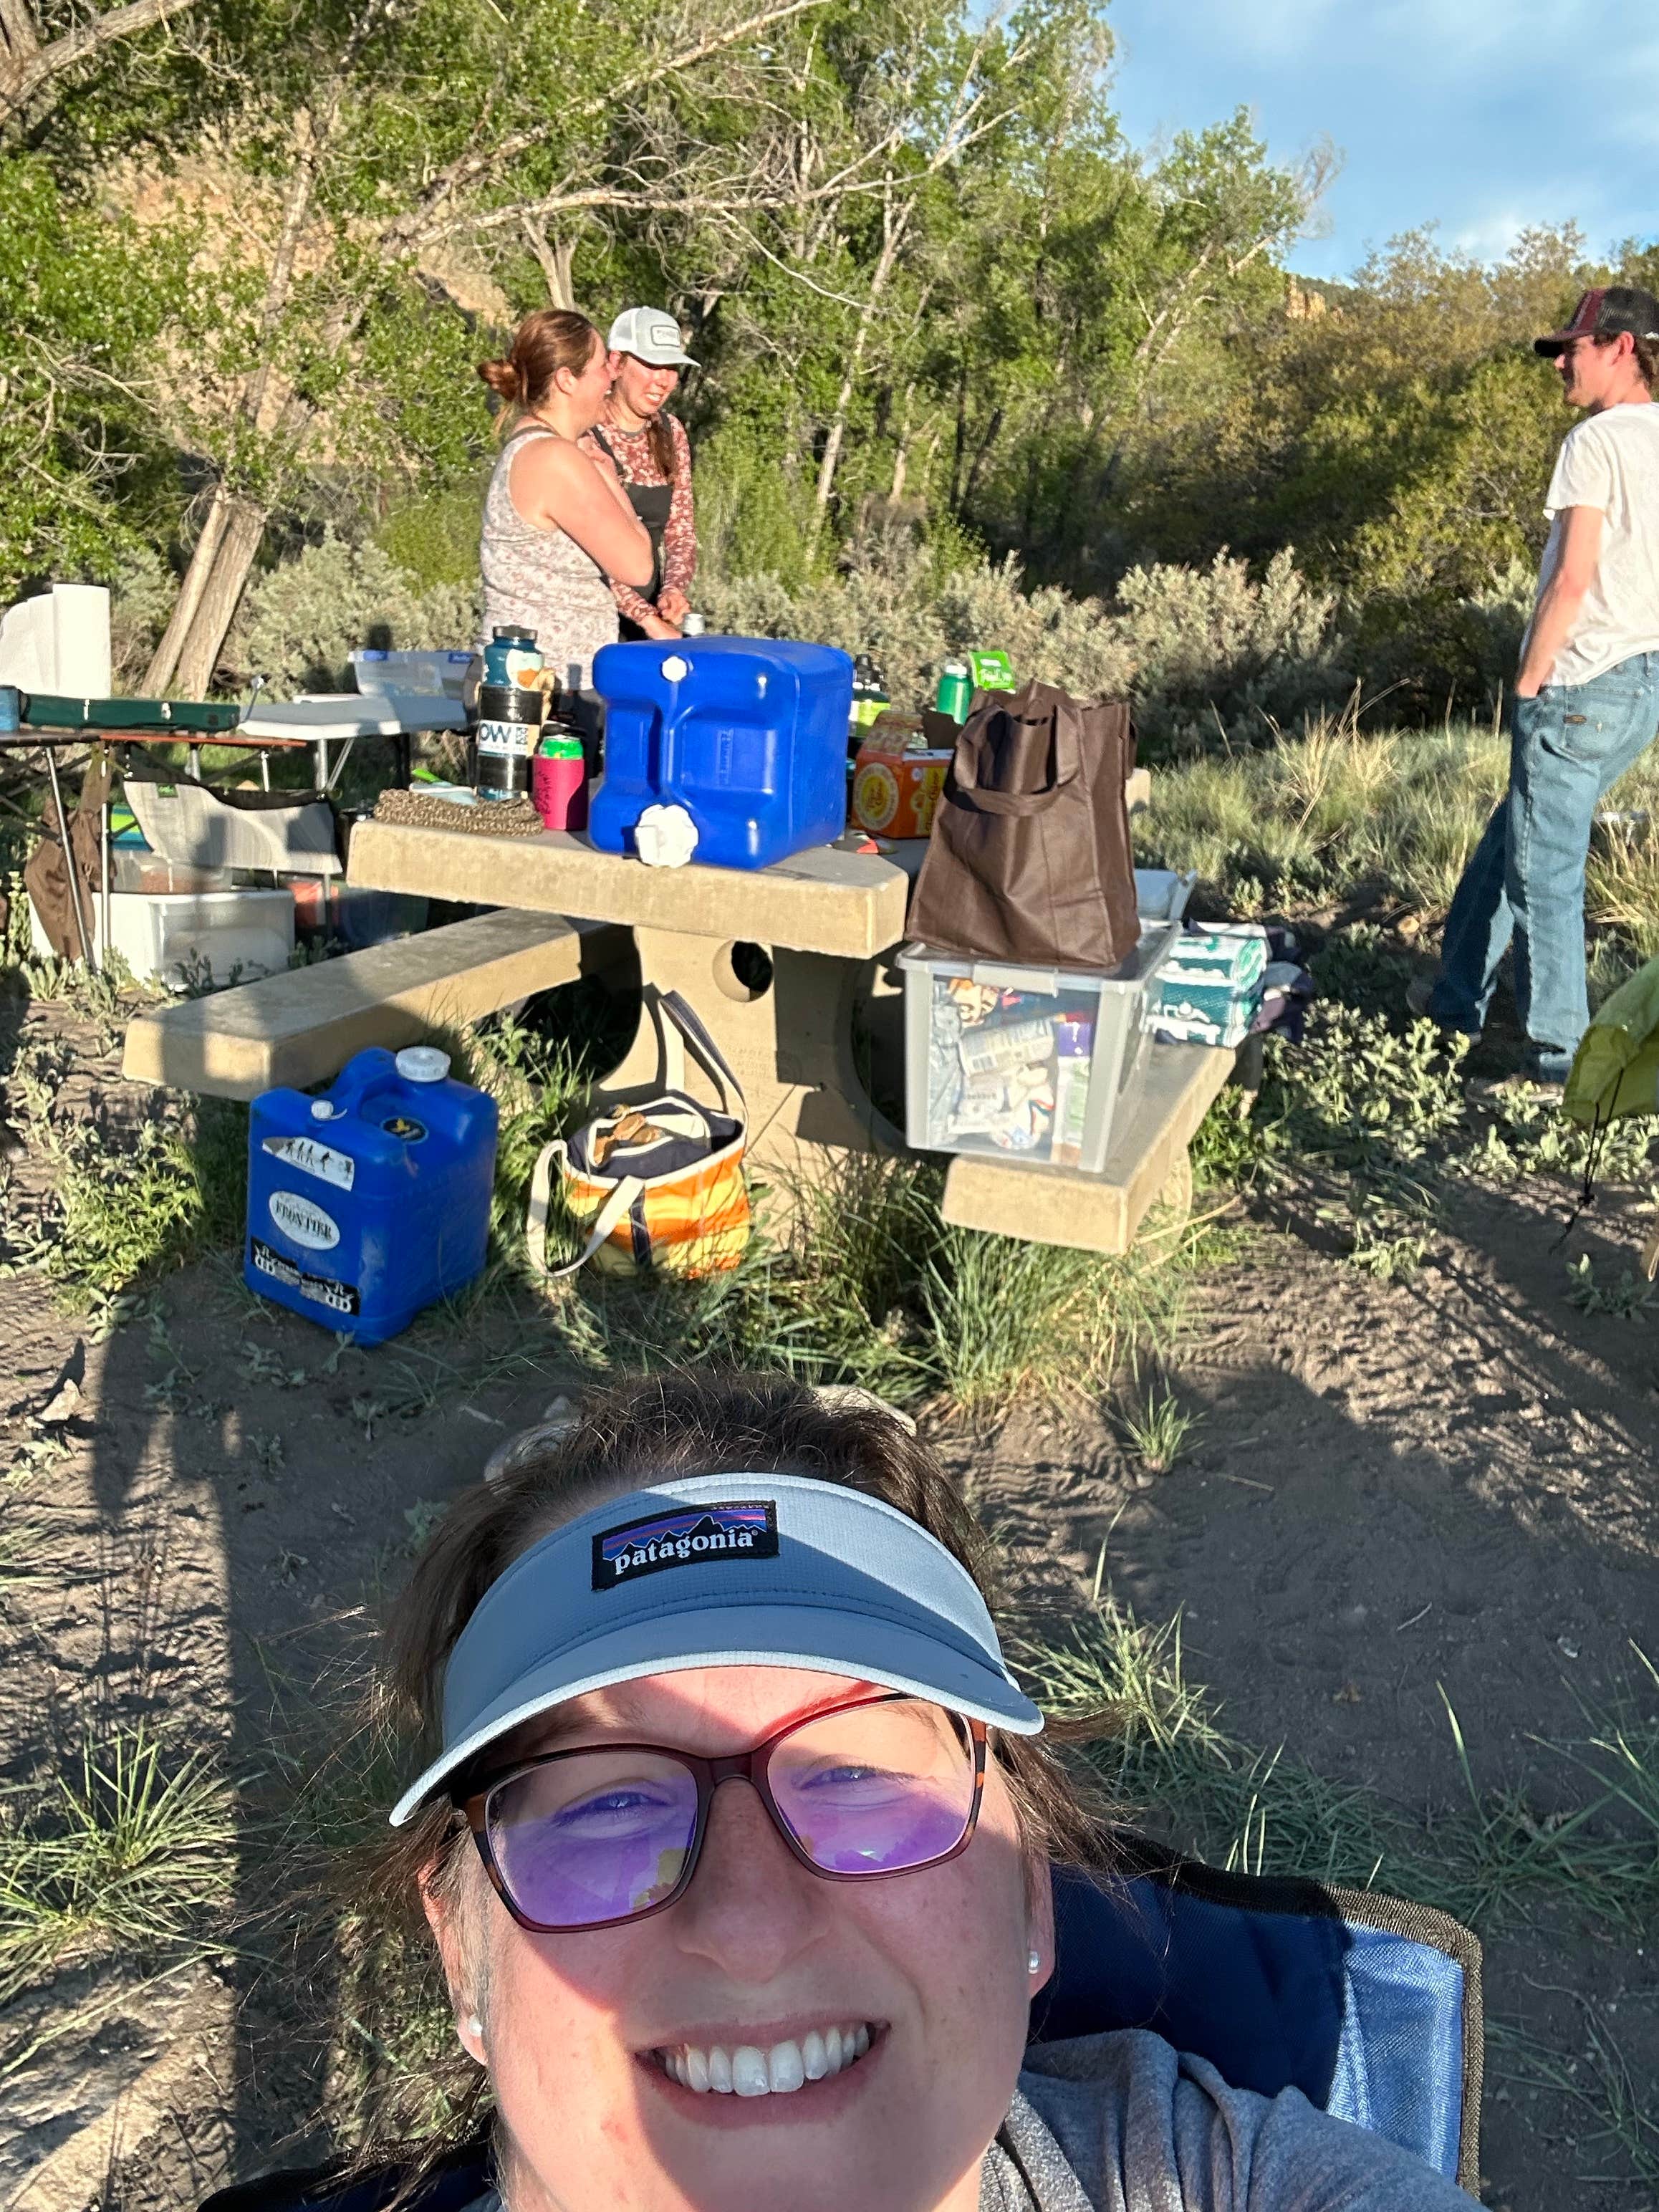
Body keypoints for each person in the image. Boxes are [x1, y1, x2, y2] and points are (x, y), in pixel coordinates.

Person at [340, 1372, 1472, 2212]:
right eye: (605, 1805)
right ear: (461, 1952)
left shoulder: (1223, 2182)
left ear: (1032, 1890)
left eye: (857, 1777)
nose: (750, 1929)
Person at [1413, 285, 1659, 1084]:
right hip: (1641, 684)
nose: (1560, 361)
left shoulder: (1596, 441)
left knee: (1544, 874)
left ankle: (1562, 1065)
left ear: (1624, 347)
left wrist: (1528, 683)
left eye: (1574, 347)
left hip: (1581, 682)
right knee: (1509, 846)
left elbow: (1573, 580)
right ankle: (1454, 1009)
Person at [475, 310, 655, 746]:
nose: (609, 381)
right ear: (566, 380)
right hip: (552, 694)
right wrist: (610, 478)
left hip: (535, 687)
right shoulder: (555, 458)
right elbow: (638, 567)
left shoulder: (530, 447)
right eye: (600, 369)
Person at [582, 306, 700, 643]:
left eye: (671, 367)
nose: (662, 380)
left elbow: (681, 532)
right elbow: (588, 550)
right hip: (591, 621)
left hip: (650, 627)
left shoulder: (671, 430)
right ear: (616, 364)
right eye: (650, 364)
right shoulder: (583, 431)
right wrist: (646, 617)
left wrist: (674, 590)